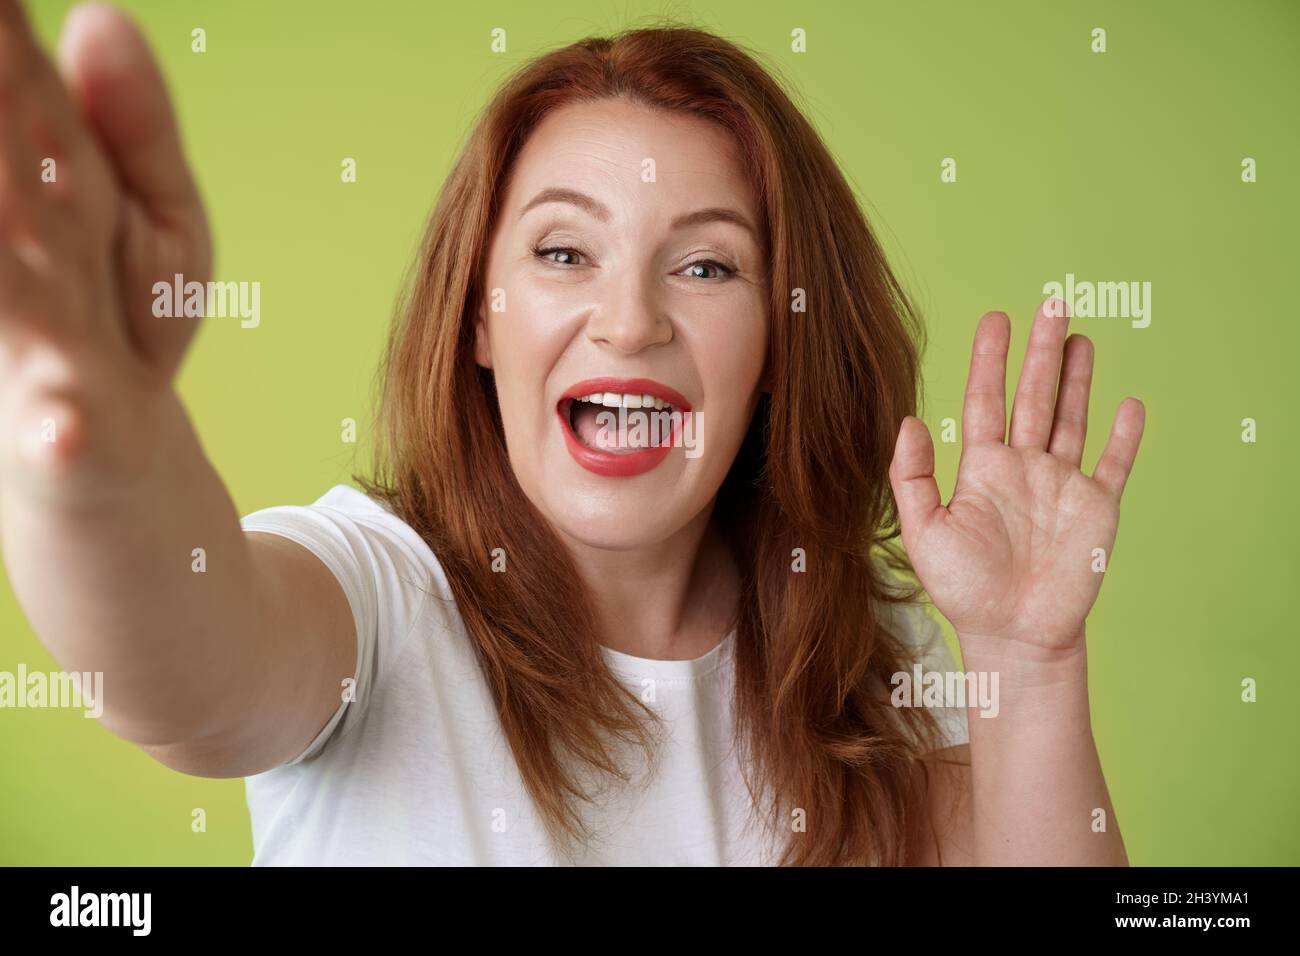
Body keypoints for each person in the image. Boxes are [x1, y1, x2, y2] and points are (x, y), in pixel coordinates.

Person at [0, 2, 1144, 865]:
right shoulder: (380, 597)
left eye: (705, 264)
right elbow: (182, 675)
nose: (631, 320)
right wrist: (102, 453)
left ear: (777, 348)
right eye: (562, 252)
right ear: (480, 319)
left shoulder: (866, 639)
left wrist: (1027, 660)